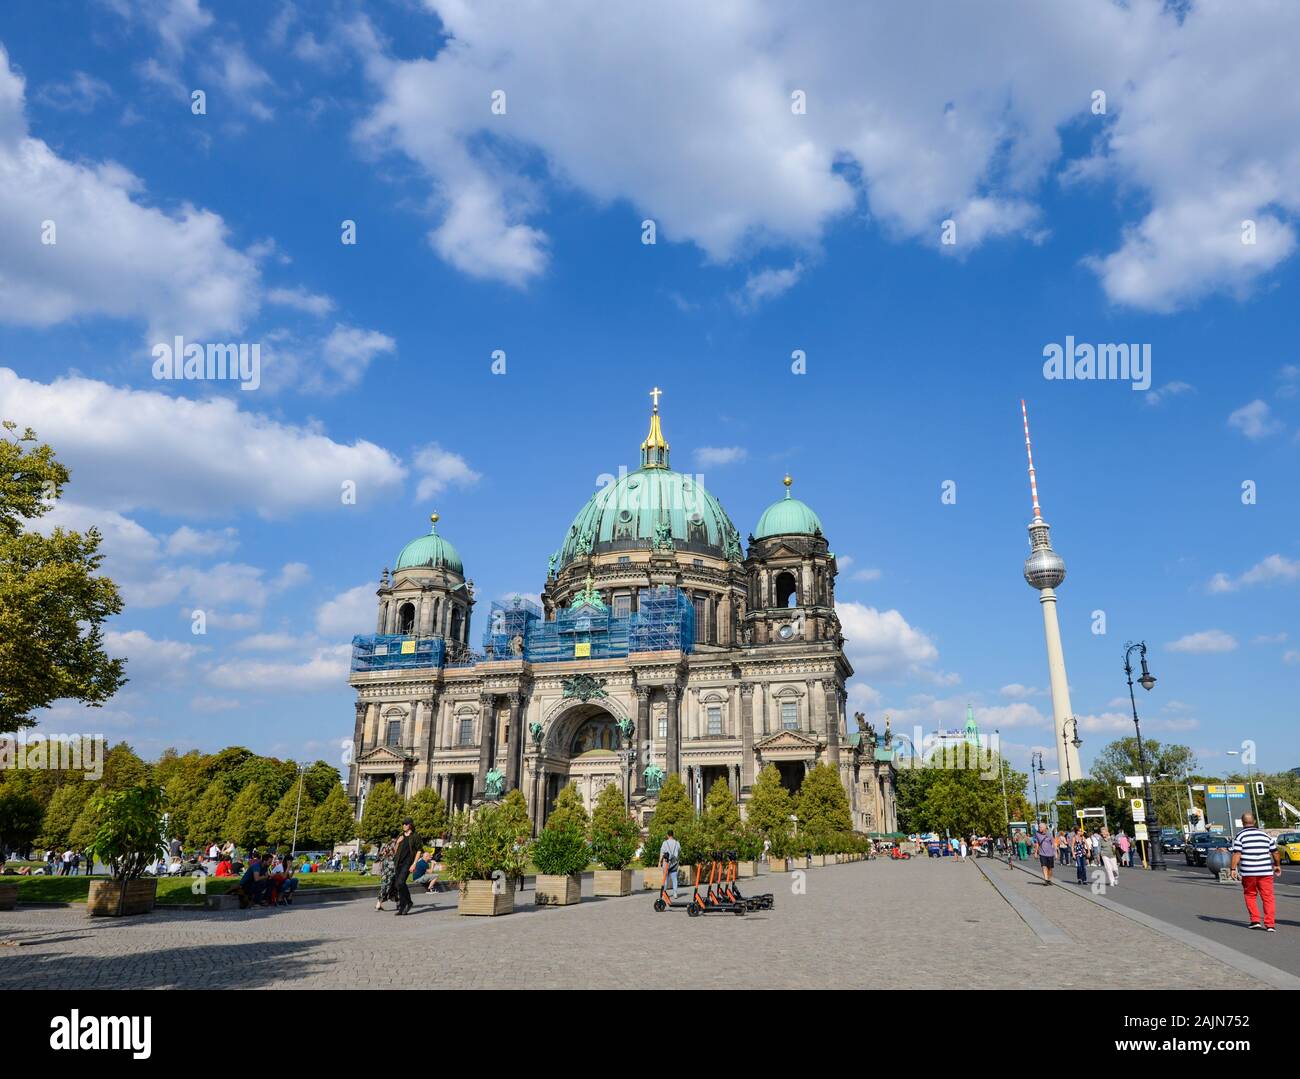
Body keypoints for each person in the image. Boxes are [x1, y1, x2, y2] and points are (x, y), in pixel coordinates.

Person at [1230, 812, 1281, 932]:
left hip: (1248, 872)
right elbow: (1275, 852)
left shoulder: (1240, 836)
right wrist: (1277, 865)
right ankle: (1270, 924)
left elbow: (1237, 853)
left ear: (1243, 823)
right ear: (1254, 822)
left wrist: (1233, 869)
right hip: (1265, 872)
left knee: (1250, 895)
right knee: (1268, 897)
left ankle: (1255, 921)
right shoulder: (1265, 836)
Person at [392, 817, 420, 916]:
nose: (403, 825)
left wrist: (414, 864)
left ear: (410, 825)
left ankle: (408, 902)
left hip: (408, 862)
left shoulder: (415, 836)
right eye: (403, 824)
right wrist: (398, 842)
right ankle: (403, 906)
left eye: (405, 824)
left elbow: (419, 850)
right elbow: (395, 851)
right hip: (398, 862)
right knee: (398, 885)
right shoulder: (401, 835)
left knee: (401, 882)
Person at [659, 829, 682, 900]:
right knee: (674, 879)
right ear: (673, 835)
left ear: (667, 835)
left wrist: (659, 862)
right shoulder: (677, 843)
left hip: (666, 863)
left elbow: (662, 853)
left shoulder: (665, 843)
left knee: (665, 879)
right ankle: (675, 893)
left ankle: (664, 893)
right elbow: (679, 851)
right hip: (674, 863)